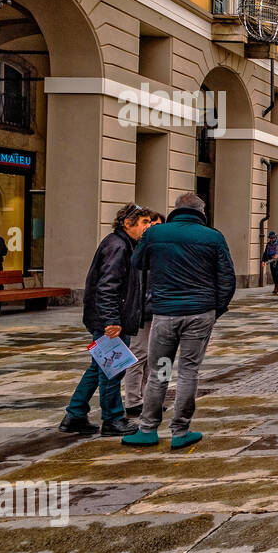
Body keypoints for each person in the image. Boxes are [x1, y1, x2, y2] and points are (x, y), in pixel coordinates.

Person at [121, 192, 236, 449]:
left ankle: (147, 429)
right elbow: (227, 278)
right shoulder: (213, 236)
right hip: (200, 313)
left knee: (159, 370)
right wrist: (216, 309)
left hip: (164, 314)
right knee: (188, 371)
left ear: (175, 209)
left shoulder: (155, 234)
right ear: (201, 212)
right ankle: (180, 431)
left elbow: (137, 262)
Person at [59, 203, 154, 436]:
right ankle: (112, 419)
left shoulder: (125, 244)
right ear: (127, 223)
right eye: (144, 222)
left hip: (110, 317)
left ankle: (75, 414)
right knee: (112, 368)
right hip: (110, 320)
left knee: (99, 366)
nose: (148, 226)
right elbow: (108, 286)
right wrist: (111, 320)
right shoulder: (118, 246)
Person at [121, 210, 163, 417]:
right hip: (139, 310)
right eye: (149, 223)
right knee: (137, 356)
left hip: (153, 308)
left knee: (150, 356)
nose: (152, 228)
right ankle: (132, 400)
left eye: (156, 225)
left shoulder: (153, 249)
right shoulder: (137, 249)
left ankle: (146, 398)